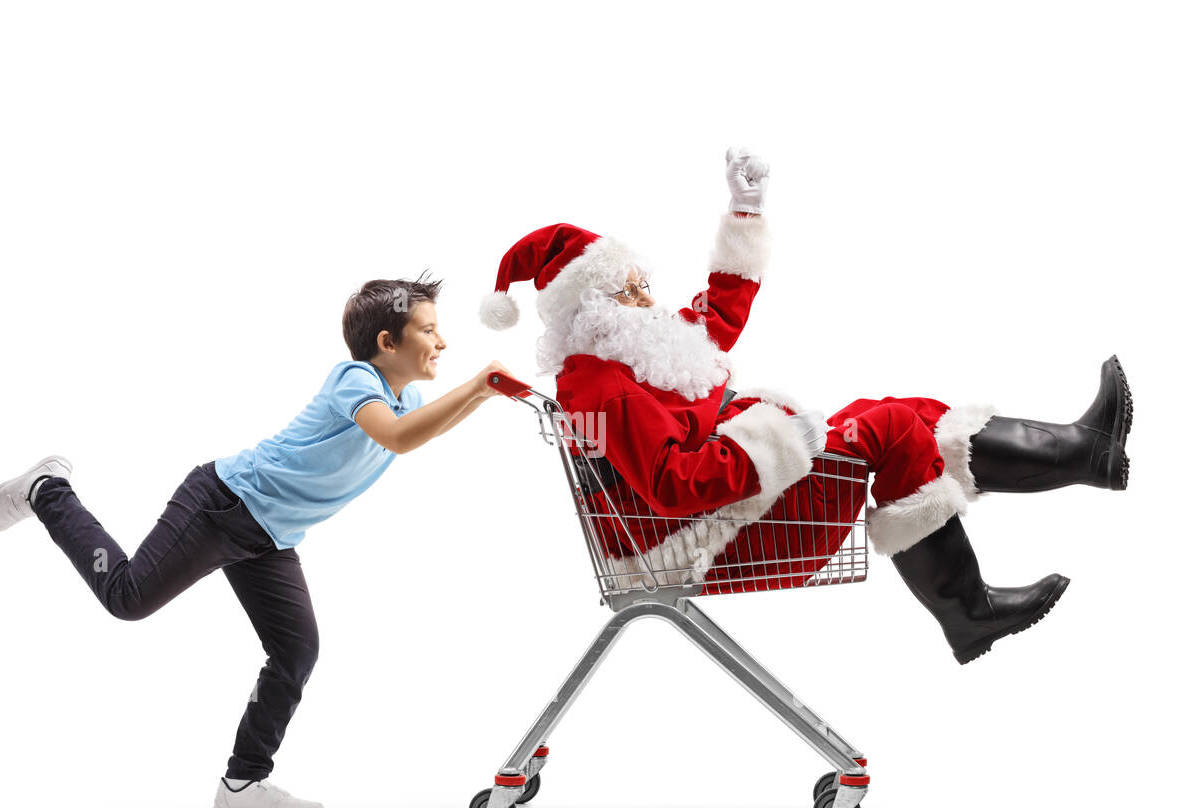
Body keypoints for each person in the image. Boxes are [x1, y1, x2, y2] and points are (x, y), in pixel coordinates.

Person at [478, 148, 1131, 665]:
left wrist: (745, 212)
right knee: (891, 427)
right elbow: (675, 487)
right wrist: (769, 438)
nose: (649, 301)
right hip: (720, 537)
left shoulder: (636, 355)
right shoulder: (604, 386)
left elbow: (715, 318)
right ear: (589, 309)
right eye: (630, 291)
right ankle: (980, 592)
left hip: (748, 511)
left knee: (906, 410)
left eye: (644, 285)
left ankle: (1075, 467)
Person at [0, 275, 508, 808]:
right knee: (127, 599)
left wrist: (482, 394)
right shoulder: (354, 380)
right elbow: (399, 438)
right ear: (387, 343)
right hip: (223, 504)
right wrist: (475, 387)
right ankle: (47, 491)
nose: (442, 342)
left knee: (295, 651)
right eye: (429, 330)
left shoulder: (409, 398)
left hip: (270, 537)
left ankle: (241, 783)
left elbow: (418, 429)